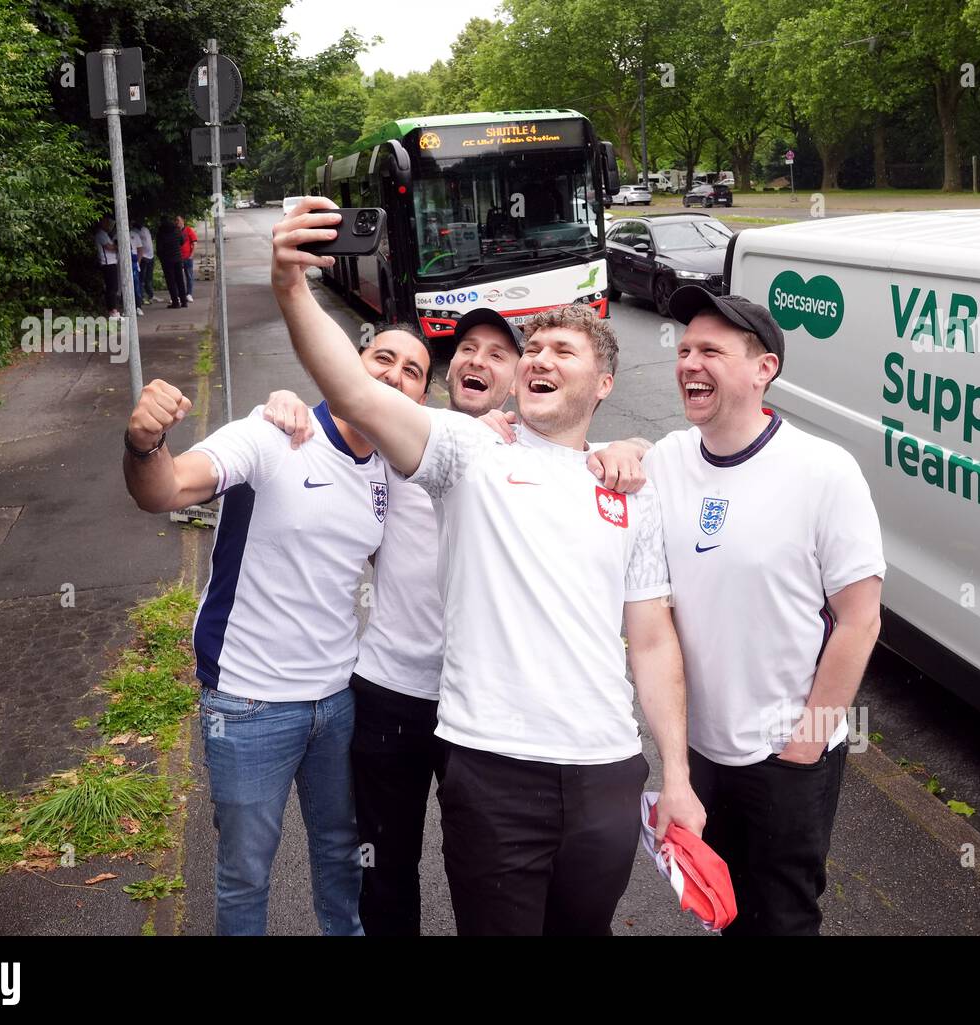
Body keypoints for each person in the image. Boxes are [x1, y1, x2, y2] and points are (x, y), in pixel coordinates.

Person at [271, 195, 705, 936]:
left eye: (562, 352)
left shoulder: (628, 486)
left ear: (603, 385)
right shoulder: (467, 453)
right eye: (532, 351)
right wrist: (290, 287)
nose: (539, 359)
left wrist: (676, 774)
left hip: (606, 769)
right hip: (493, 768)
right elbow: (352, 390)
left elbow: (654, 637)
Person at [121, 325, 433, 936]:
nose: (394, 375)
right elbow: (165, 490)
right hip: (248, 702)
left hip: (340, 702)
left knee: (344, 864)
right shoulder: (271, 434)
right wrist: (144, 443)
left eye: (413, 371)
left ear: (420, 398)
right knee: (245, 876)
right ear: (347, 362)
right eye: (382, 358)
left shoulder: (390, 473)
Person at [646, 287, 885, 936]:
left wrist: (805, 744)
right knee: (717, 909)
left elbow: (861, 618)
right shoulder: (663, 460)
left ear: (763, 370)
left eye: (711, 351)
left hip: (786, 755)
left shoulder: (822, 471)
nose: (689, 362)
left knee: (781, 918)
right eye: (685, 349)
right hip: (700, 754)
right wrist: (610, 454)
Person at [155, 216, 187, 309]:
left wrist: (162, 257)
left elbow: (159, 249)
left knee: (171, 282)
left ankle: (176, 302)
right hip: (178, 259)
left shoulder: (161, 233)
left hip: (167, 261)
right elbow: (182, 241)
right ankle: (184, 302)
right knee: (180, 280)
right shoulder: (177, 230)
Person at [93, 216, 120, 317]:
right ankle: (112, 310)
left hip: (112, 262)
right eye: (107, 223)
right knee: (111, 287)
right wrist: (118, 246)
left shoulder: (106, 234)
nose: (109, 225)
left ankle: (113, 309)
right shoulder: (101, 234)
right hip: (107, 263)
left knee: (114, 287)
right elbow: (109, 247)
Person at [134, 219, 155, 305]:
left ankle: (150, 295)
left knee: (149, 278)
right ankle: (141, 297)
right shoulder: (134, 232)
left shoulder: (145, 229)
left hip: (150, 256)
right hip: (143, 257)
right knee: (141, 279)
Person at [177, 215, 198, 302]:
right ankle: (178, 295)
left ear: (183, 221)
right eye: (176, 221)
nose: (176, 222)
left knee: (189, 276)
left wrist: (191, 255)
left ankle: (189, 294)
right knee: (178, 277)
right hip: (178, 258)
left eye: (178, 220)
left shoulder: (188, 230)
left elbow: (195, 243)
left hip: (187, 257)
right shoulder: (175, 231)